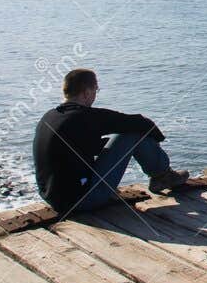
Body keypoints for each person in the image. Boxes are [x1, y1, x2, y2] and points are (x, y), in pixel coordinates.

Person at [33, 68, 189, 214]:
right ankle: (162, 175)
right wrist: (157, 141)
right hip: (80, 200)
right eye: (96, 90)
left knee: (122, 135)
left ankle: (161, 174)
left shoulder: (49, 116)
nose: (95, 95)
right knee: (132, 134)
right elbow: (142, 123)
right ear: (86, 93)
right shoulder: (86, 116)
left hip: (51, 197)